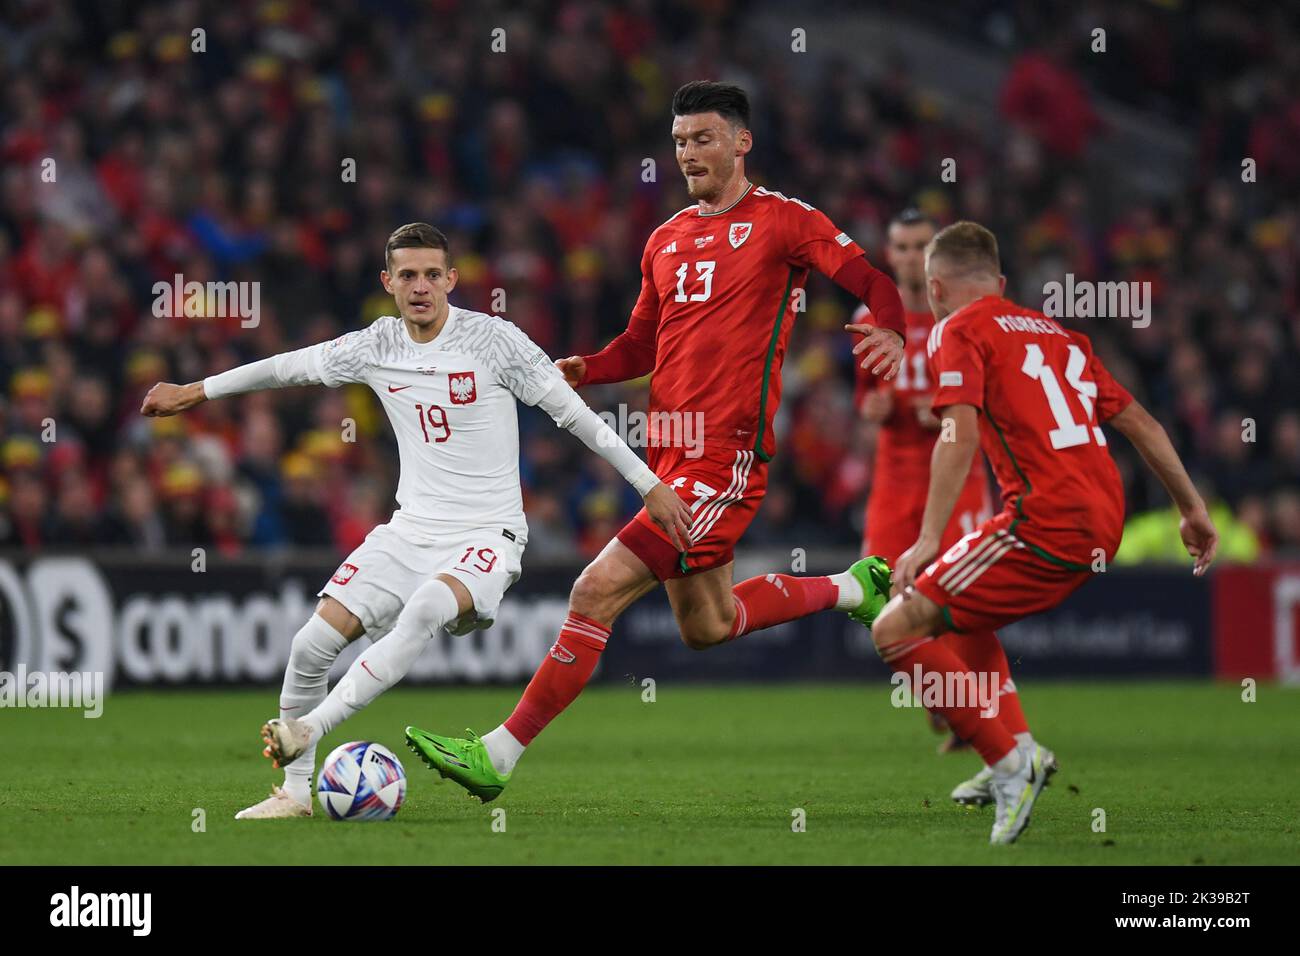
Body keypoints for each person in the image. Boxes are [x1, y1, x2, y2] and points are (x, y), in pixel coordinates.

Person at [405, 80, 907, 801]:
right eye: (678, 142)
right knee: (709, 622)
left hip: (724, 456)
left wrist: (890, 326)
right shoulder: (665, 239)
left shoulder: (785, 222)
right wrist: (589, 368)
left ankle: (498, 754)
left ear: (742, 142)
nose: (688, 153)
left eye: (703, 138)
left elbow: (870, 281)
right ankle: (848, 586)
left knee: (594, 589)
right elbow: (641, 345)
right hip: (667, 456)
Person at [140, 222, 692, 818]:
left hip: (489, 533)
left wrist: (649, 484)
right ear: (388, 283)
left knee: (428, 607)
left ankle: (312, 726)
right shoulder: (378, 345)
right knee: (308, 647)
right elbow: (289, 367)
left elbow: (577, 417)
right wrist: (196, 390)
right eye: (407, 275)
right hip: (408, 532)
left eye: (432, 274)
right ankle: (296, 794)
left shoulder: (495, 342)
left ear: (452, 280)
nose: (421, 286)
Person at [866, 221, 1218, 844]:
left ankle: (1009, 762)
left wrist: (926, 538)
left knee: (892, 627)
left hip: (1043, 519)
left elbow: (959, 434)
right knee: (965, 618)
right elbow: (1143, 425)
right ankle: (1016, 746)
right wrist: (1192, 509)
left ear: (936, 287)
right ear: (1000, 284)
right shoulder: (1064, 336)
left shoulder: (958, 328)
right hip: (1103, 524)